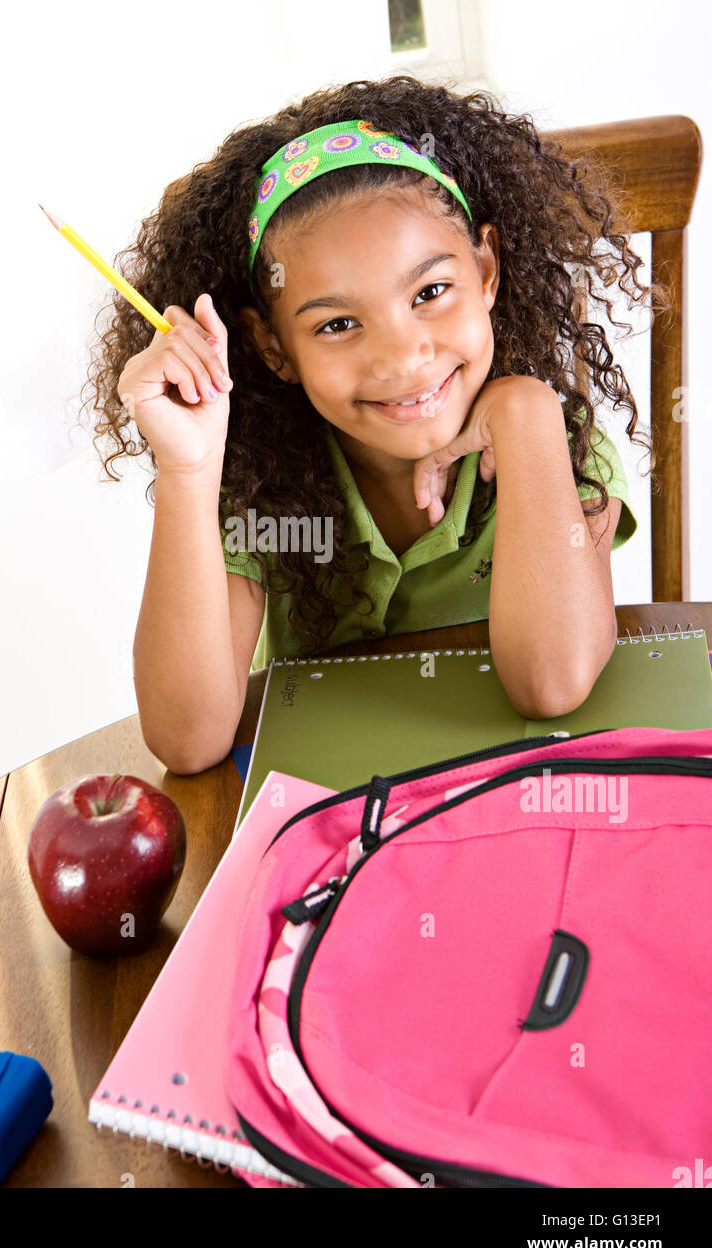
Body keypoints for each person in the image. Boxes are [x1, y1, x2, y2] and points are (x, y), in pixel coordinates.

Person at [81, 76, 663, 775]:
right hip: (331, 832)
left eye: (430, 292)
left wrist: (527, 411)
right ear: (272, 347)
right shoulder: (264, 481)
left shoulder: (553, 441)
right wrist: (189, 470)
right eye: (338, 323)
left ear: (486, 269)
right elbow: (187, 740)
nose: (403, 357)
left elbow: (553, 681)